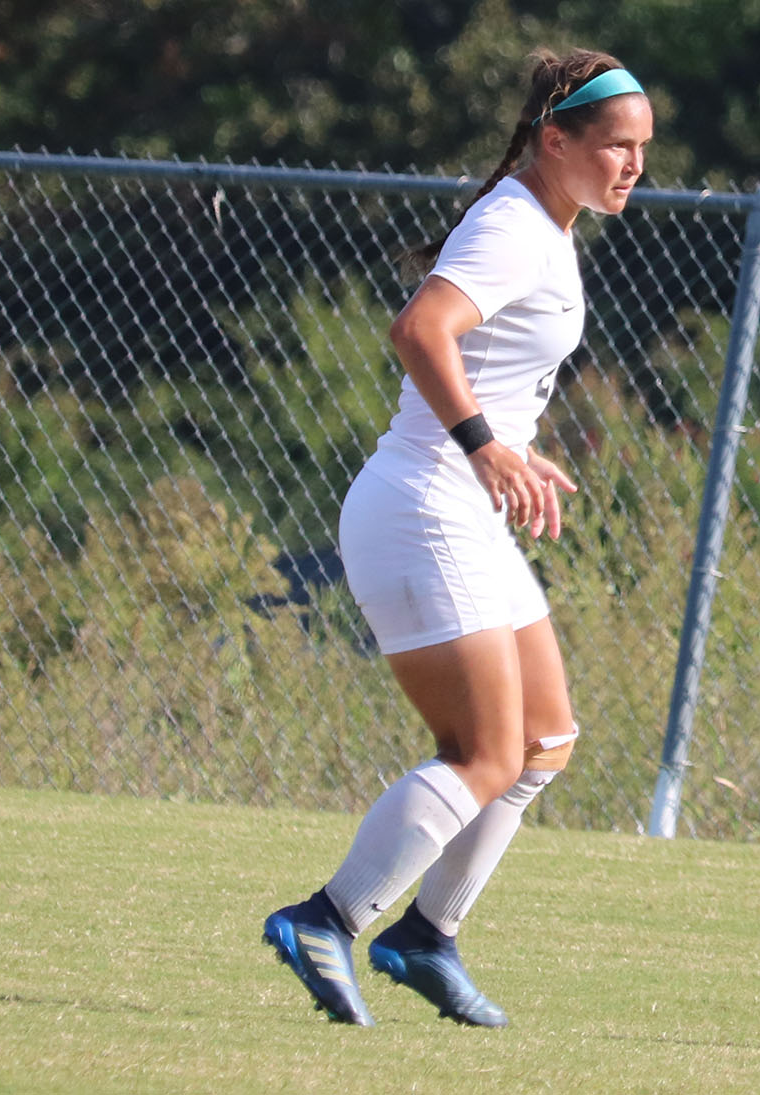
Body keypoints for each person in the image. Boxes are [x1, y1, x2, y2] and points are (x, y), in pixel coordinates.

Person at [262, 48, 652, 1028]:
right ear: (551, 140)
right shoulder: (516, 228)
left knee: (542, 743)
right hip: (423, 505)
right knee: (482, 750)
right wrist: (484, 447)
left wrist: (510, 450)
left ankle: (424, 939)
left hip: (458, 510)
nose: (632, 166)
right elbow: (419, 330)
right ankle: (326, 919)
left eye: (642, 148)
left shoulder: (546, 226)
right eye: (614, 146)